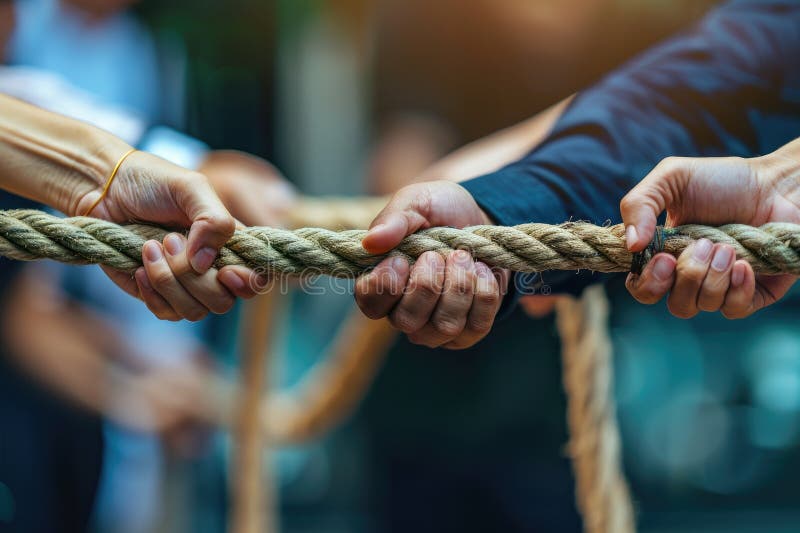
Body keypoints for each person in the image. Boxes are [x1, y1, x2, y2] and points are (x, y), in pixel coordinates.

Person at [352, 0, 800, 348]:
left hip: (549, 303)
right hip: (500, 290)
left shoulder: (639, 18)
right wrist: (501, 209)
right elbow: (705, 94)